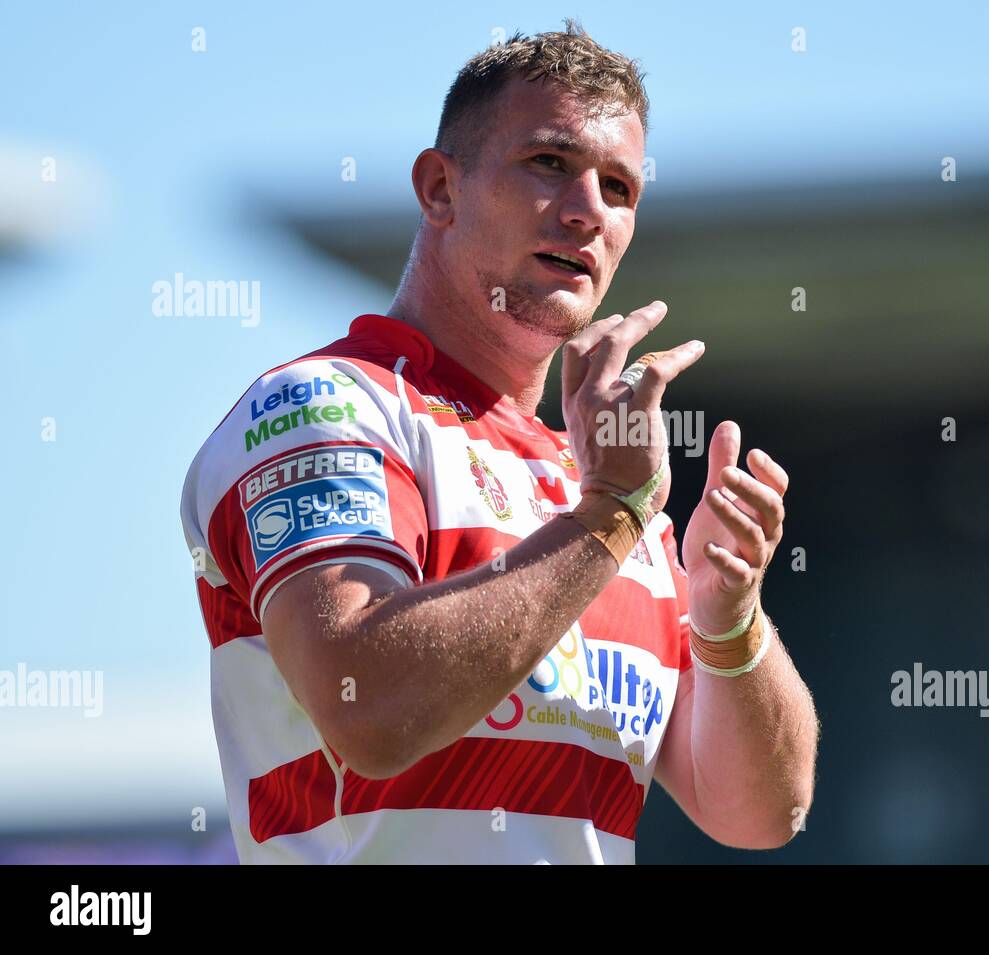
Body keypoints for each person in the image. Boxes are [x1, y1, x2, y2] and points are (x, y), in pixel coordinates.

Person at [180, 20, 818, 863]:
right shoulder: (321, 406)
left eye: (620, 189)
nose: (589, 210)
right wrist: (607, 519)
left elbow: (761, 815)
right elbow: (368, 706)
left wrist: (729, 624)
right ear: (440, 189)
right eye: (550, 163)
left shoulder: (607, 496)